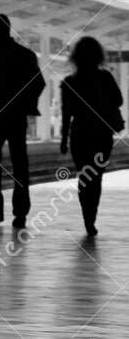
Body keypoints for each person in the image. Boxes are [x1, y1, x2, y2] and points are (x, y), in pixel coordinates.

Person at [0, 13, 46, 227]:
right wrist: (27, 105)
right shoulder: (26, 54)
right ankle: (20, 213)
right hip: (16, 117)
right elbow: (39, 83)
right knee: (19, 165)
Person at [60, 36, 124, 235]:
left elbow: (66, 113)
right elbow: (119, 101)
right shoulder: (105, 77)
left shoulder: (69, 82)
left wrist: (63, 139)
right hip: (102, 134)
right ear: (98, 55)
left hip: (79, 134)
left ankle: (87, 216)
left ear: (76, 56)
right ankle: (91, 217)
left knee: (84, 176)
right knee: (96, 177)